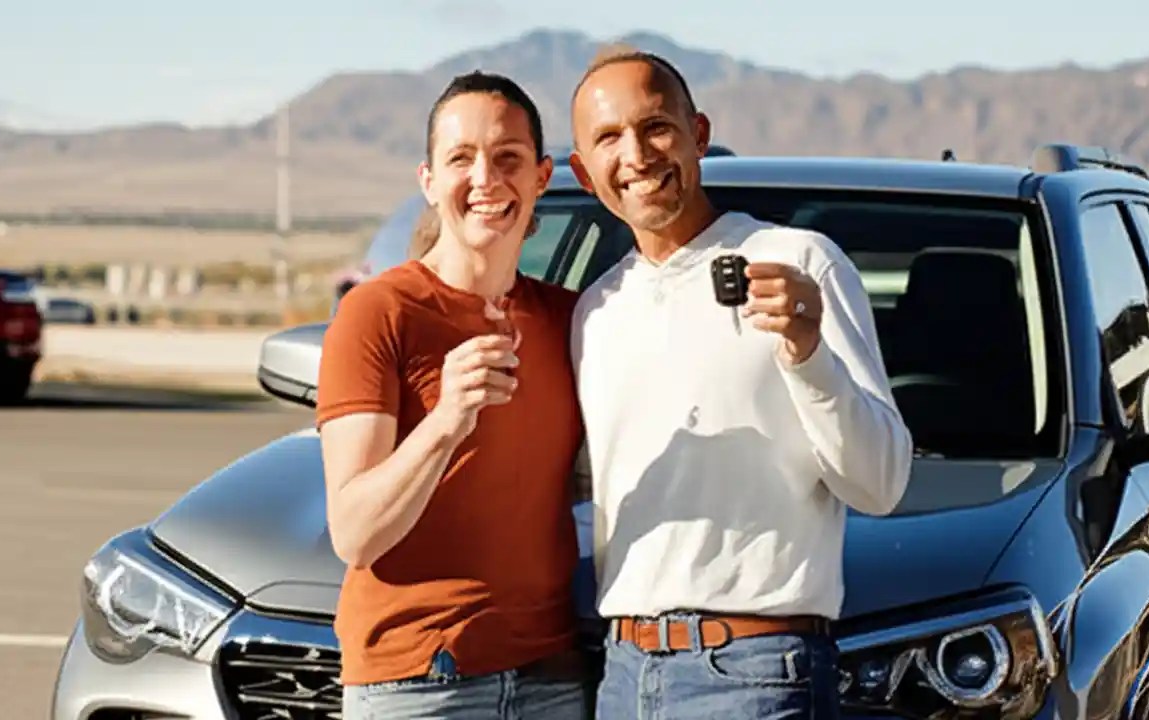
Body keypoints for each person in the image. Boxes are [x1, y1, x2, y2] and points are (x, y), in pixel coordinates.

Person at [566, 48, 914, 718]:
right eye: (609, 138)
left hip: (754, 675)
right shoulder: (596, 312)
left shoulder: (799, 263)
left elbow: (881, 483)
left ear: (698, 133)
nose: (635, 155)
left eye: (655, 126)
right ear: (584, 171)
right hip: (621, 676)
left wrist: (807, 350)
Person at [315, 70, 588, 719]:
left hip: (553, 674)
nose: (486, 180)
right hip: (419, 681)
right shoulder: (379, 312)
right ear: (429, 181)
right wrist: (446, 419)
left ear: (542, 176)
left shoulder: (571, 320)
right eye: (461, 159)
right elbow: (355, 534)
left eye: (508, 158)